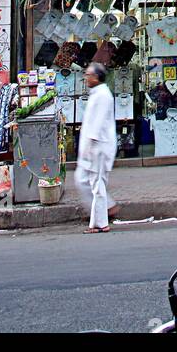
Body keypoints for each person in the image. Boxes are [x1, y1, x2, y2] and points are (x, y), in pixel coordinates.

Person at [75, 62, 118, 232]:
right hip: (94, 147)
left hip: (98, 147)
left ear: (96, 77)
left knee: (97, 184)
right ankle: (100, 218)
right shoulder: (98, 94)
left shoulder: (102, 96)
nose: (86, 78)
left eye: (88, 75)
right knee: (87, 181)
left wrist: (90, 148)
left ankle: (101, 223)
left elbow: (97, 125)